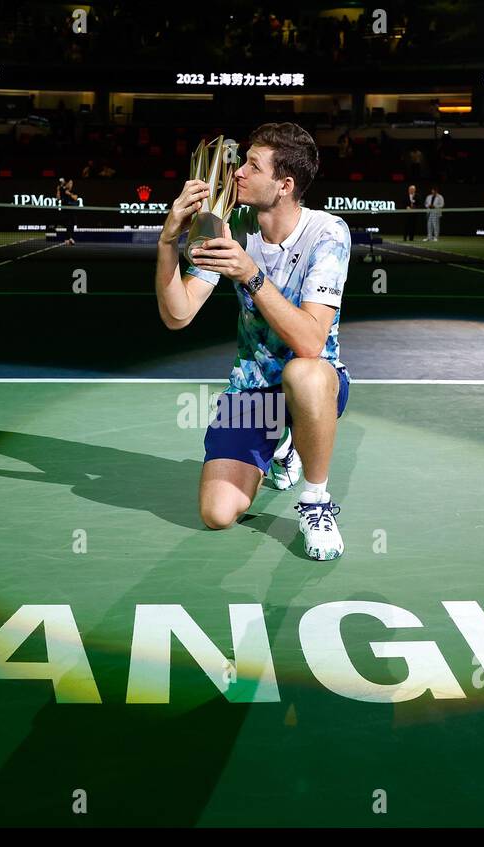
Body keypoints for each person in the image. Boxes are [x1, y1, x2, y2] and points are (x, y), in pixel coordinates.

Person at [155, 122, 351, 561]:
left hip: (315, 385)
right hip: (252, 392)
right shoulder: (230, 226)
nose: (238, 173)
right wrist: (169, 240)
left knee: (304, 372)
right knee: (217, 513)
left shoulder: (328, 233)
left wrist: (250, 273)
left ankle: (316, 500)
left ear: (284, 185)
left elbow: (311, 342)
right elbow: (178, 314)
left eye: (252, 166)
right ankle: (281, 445)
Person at [55, 177, 79, 245]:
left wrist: (69, 194)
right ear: (67, 184)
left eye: (72, 183)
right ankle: (69, 238)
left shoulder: (74, 191)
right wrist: (58, 190)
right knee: (68, 224)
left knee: (72, 225)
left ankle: (68, 239)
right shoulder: (63, 190)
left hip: (73, 210)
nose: (71, 184)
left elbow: (75, 198)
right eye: (70, 183)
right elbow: (58, 198)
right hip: (65, 210)